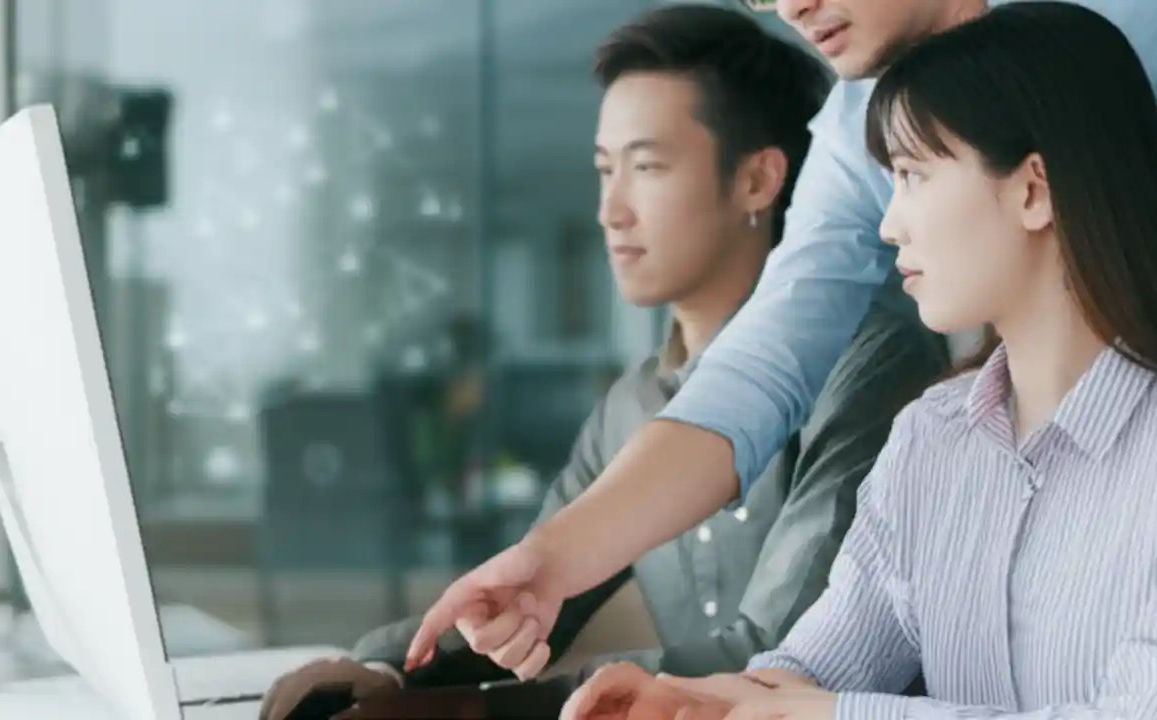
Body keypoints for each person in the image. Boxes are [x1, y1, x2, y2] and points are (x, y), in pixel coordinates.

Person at [405, 0, 1157, 683]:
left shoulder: (1140, 30)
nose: (791, 6)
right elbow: (760, 371)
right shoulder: (936, 441)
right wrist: (554, 564)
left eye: (916, 176)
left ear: (1034, 186)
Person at [259, 6, 946, 719]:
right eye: (603, 170)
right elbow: (534, 590)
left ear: (757, 181)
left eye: (646, 167)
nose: (610, 211)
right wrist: (387, 668)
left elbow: (785, 656)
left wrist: (477, 709)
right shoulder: (635, 404)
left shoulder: (877, 367)